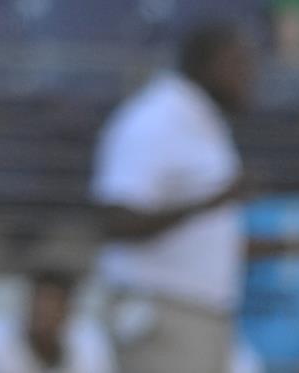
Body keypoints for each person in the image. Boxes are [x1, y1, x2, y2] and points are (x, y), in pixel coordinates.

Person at [90, 23, 255, 373]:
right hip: (160, 311)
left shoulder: (205, 122)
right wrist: (207, 203)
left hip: (203, 314)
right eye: (237, 63)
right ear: (205, 64)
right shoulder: (155, 119)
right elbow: (115, 219)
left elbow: (210, 240)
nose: (249, 75)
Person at [0, 270, 115, 373]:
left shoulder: (90, 350)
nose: (45, 319)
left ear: (68, 313)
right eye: (39, 311)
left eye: (53, 311)